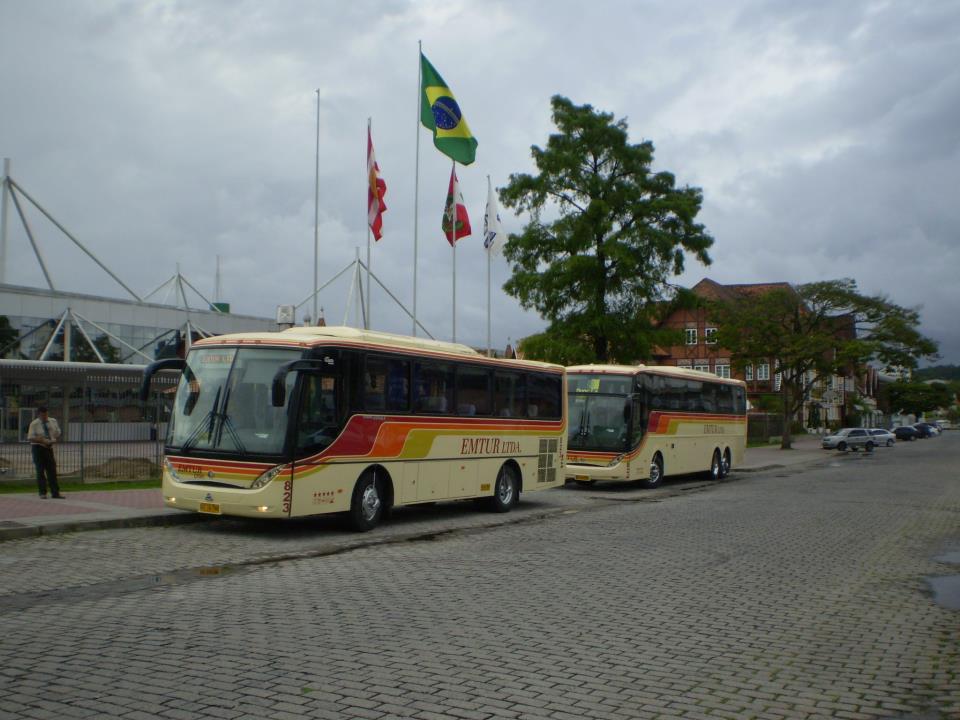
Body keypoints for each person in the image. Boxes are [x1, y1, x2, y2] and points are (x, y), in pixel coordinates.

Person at [27, 406, 63, 499]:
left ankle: (55, 492)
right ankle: (42, 492)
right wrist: (41, 440)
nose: (45, 416)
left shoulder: (53, 421)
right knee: (40, 470)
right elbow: (30, 437)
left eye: (46, 414)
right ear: (38, 414)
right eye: (43, 415)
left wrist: (53, 438)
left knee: (52, 470)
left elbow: (58, 432)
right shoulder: (34, 424)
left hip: (49, 447)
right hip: (38, 448)